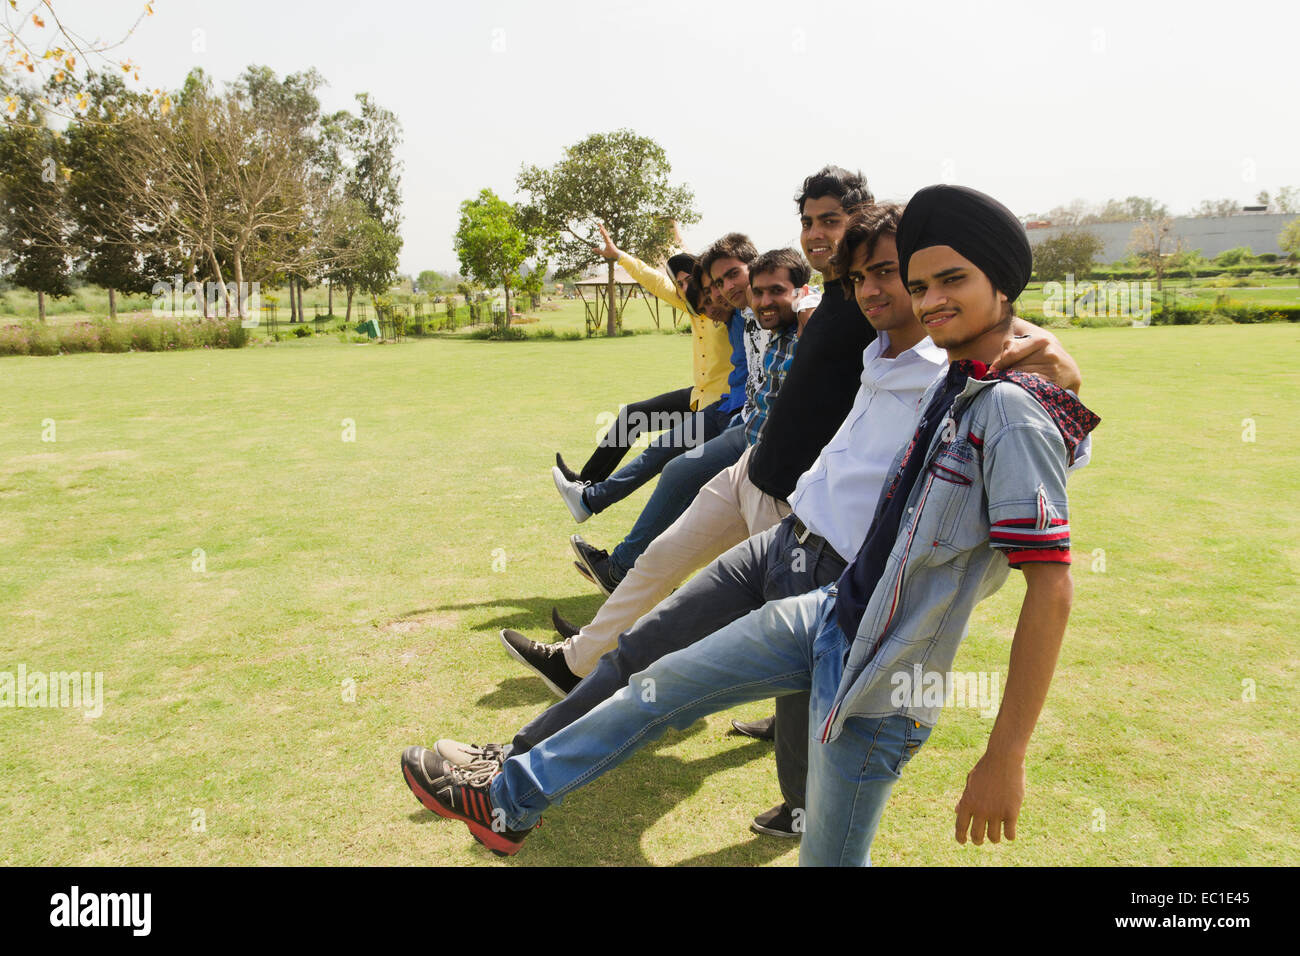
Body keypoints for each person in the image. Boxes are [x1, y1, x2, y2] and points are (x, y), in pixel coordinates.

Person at [406, 188, 1095, 858]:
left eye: (942, 279)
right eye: (912, 281)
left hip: (879, 664)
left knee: (826, 849)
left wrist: (1005, 755)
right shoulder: (940, 365)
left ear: (1002, 284)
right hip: (824, 599)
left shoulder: (1002, 398)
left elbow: (1048, 578)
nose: (921, 296)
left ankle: (530, 789)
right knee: (660, 682)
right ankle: (508, 797)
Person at [503, 247, 809, 691]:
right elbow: (664, 281)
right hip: (734, 438)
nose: (719, 291)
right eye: (709, 285)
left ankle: (599, 525)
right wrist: (630, 257)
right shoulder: (730, 314)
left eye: (724, 280)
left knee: (767, 606)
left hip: (739, 433)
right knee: (662, 540)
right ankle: (583, 654)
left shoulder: (792, 318)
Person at [550, 234, 760, 528]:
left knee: (673, 469)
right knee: (633, 417)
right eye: (680, 284)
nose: (685, 287)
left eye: (689, 280)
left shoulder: (725, 304)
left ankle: (639, 542)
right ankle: (586, 485)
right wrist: (619, 255)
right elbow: (654, 280)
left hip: (721, 406)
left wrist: (680, 240)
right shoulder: (692, 305)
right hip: (697, 398)